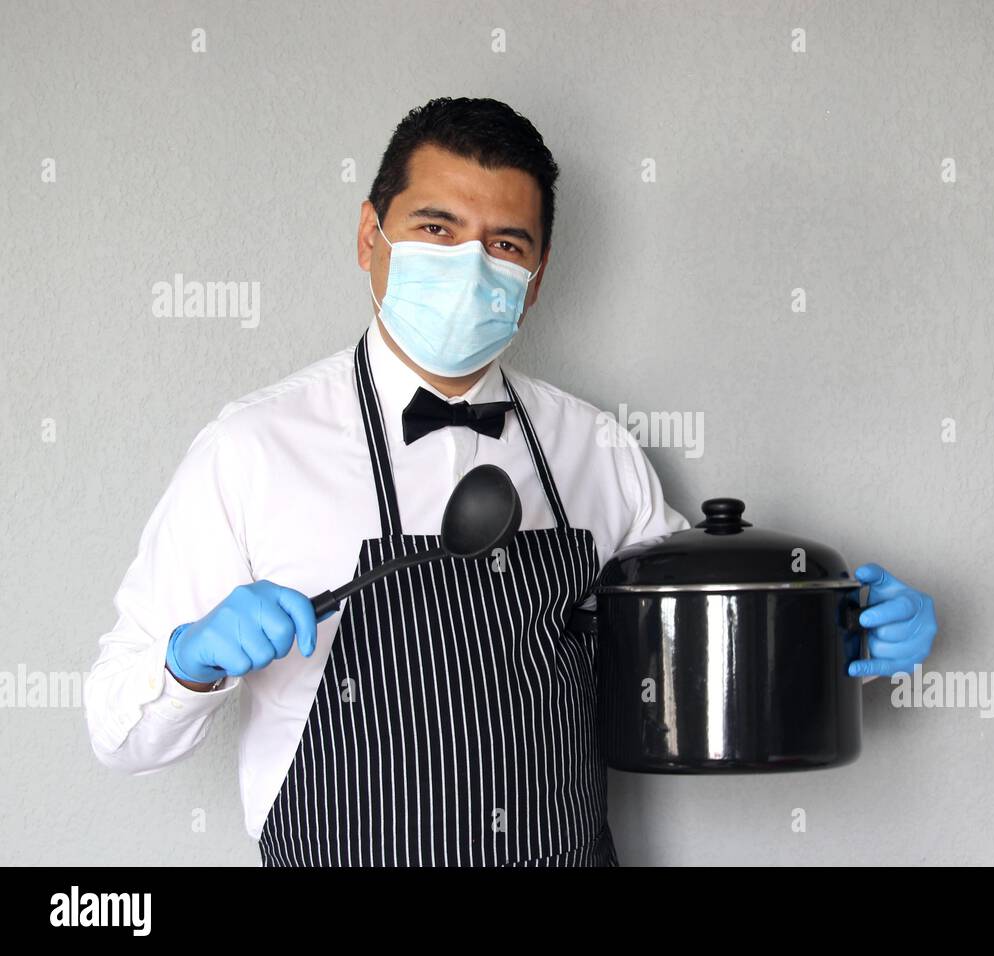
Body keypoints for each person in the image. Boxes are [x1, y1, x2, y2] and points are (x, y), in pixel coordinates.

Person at [84, 97, 938, 867]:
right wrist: (190, 662)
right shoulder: (254, 449)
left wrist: (841, 630)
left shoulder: (595, 449)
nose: (469, 264)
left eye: (504, 244)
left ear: (534, 279)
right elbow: (114, 732)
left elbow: (693, 641)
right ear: (368, 238)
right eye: (435, 229)